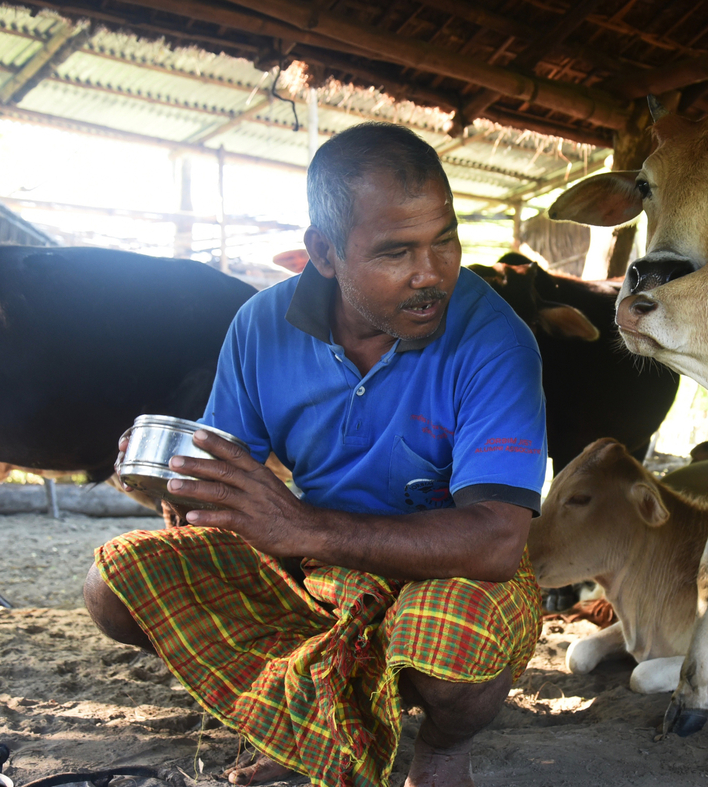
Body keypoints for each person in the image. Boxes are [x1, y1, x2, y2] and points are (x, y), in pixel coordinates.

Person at [84, 123, 547, 787]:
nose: (431, 273)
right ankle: (298, 717)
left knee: (449, 635)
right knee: (115, 583)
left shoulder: (495, 339)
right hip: (314, 570)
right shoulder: (260, 325)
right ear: (324, 254)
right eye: (396, 251)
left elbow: (498, 541)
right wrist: (177, 479)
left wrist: (302, 524)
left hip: (448, 568)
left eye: (444, 239)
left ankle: (442, 752)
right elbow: (224, 479)